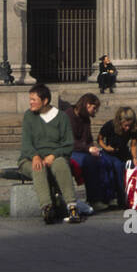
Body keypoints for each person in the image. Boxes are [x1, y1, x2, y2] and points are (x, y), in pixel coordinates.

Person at [19, 83, 83, 224]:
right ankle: (47, 207)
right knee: (38, 167)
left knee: (61, 164)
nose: (30, 102)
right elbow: (26, 143)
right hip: (30, 159)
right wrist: (35, 156)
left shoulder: (61, 117)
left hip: (55, 156)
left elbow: (67, 143)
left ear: (45, 101)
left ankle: (72, 207)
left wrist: (54, 155)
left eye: (33, 99)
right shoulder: (29, 116)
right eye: (30, 99)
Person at [97, 106, 137, 208]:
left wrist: (135, 158)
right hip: (110, 153)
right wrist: (106, 147)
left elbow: (133, 145)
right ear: (120, 121)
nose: (127, 128)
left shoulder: (134, 128)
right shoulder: (110, 125)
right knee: (118, 166)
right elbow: (99, 139)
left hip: (124, 153)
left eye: (129, 125)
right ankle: (122, 198)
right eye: (125, 125)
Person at [64, 92, 102, 212]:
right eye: (94, 108)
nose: (94, 112)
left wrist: (92, 148)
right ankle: (94, 199)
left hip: (82, 150)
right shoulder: (68, 116)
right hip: (70, 151)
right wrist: (87, 149)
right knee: (89, 162)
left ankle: (105, 196)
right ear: (87, 104)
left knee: (103, 160)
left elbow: (88, 139)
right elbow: (69, 141)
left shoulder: (86, 119)